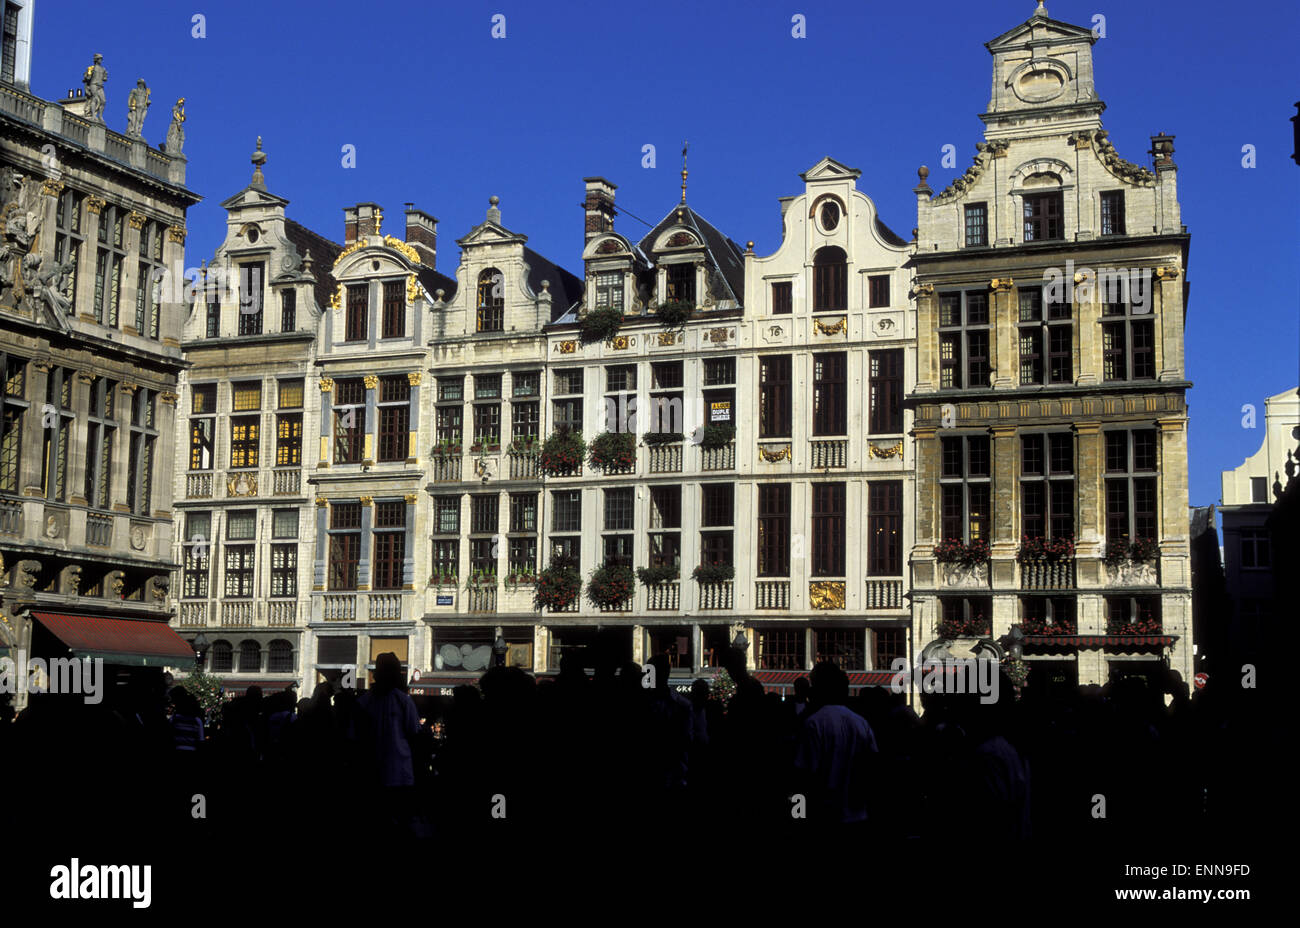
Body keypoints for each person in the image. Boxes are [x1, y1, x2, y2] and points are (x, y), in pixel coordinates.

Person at [793, 662, 878, 827]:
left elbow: (802, 775)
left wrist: (798, 815)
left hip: (823, 816)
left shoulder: (814, 724)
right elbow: (872, 765)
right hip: (857, 815)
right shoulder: (861, 723)